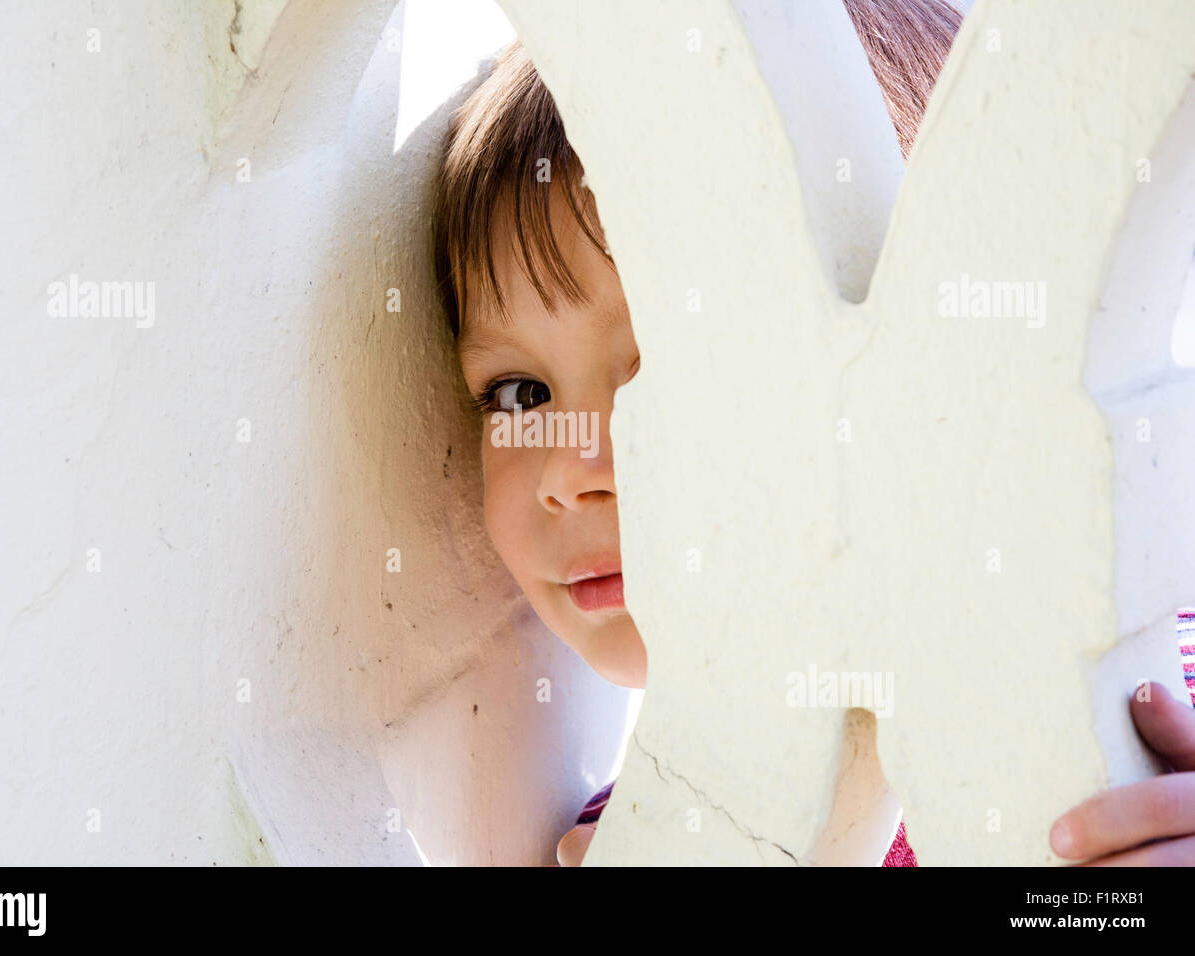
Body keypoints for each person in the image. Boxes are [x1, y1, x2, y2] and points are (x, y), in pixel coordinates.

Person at [432, 0, 1195, 866]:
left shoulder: (1151, 713)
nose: (572, 473)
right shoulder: (645, 826)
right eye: (520, 391)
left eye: (670, 371)